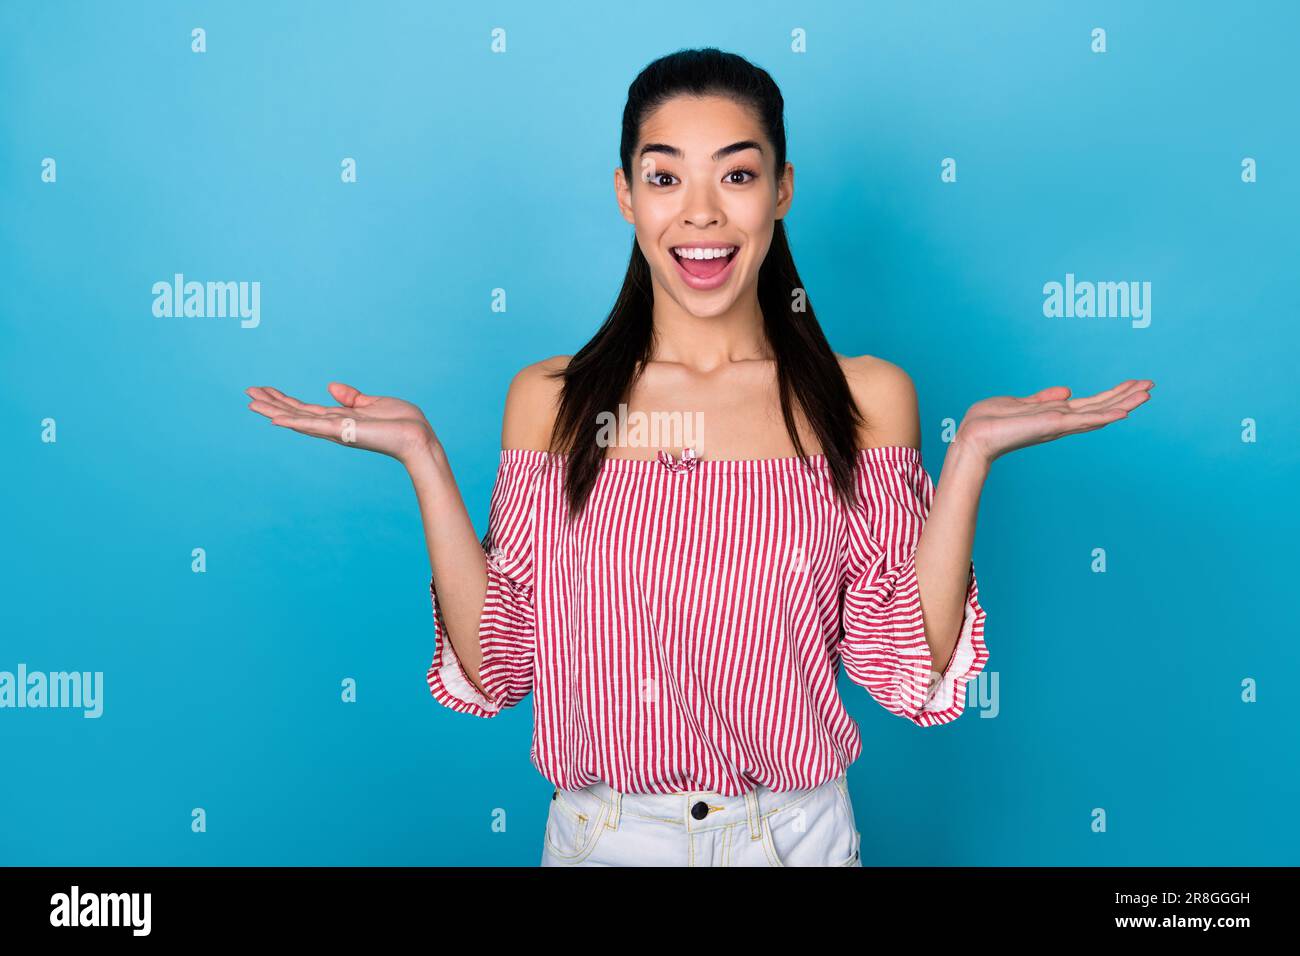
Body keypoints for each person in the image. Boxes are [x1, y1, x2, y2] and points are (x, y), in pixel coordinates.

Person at [245, 48, 1153, 866]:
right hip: (604, 839)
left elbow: (907, 664)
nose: (703, 214)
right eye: (666, 176)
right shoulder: (554, 402)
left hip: (795, 837)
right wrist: (423, 457)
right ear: (625, 195)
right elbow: (501, 663)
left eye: (739, 174)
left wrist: (971, 461)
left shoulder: (864, 397)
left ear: (783, 190)